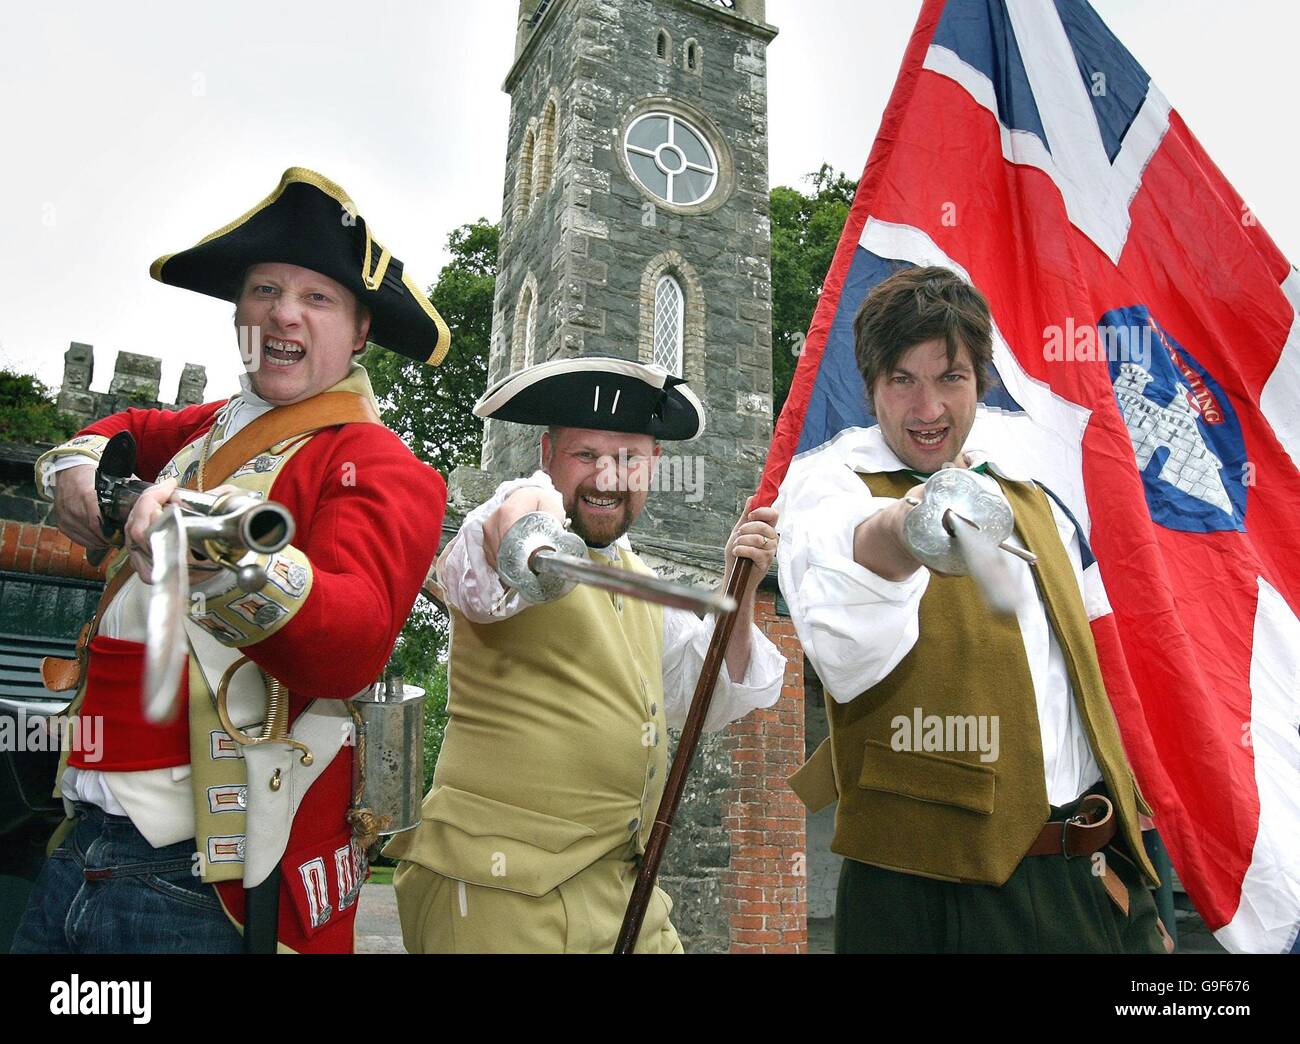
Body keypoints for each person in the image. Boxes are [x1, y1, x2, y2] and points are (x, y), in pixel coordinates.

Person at [13, 167, 451, 954]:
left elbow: (353, 644)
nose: (283, 311)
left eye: (317, 298)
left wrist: (217, 554)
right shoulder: (208, 427)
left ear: (359, 332)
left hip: (195, 884)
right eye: (262, 290)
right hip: (78, 845)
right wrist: (78, 467)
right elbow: (121, 426)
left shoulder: (377, 460)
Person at [776, 266, 1171, 954]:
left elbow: (1088, 703)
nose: (927, 407)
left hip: (1093, 880)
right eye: (903, 379)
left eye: (949, 377)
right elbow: (846, 651)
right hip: (932, 897)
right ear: (871, 386)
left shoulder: (1033, 503)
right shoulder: (830, 486)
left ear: (980, 383)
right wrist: (905, 528)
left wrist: (1141, 892)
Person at [386, 356, 786, 953]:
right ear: (546, 455)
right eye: (585, 456)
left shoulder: (641, 580)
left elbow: (708, 693)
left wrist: (739, 583)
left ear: (653, 467)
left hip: (624, 895)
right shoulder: (504, 518)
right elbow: (504, 537)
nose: (606, 477)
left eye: (628, 459)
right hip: (500, 898)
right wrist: (533, 529)